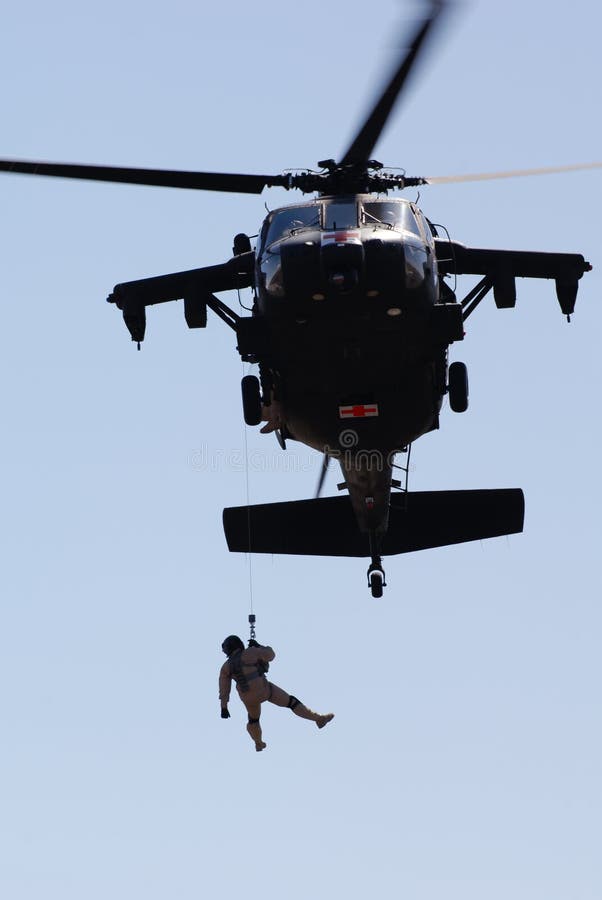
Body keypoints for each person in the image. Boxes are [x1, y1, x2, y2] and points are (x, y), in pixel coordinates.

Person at [219, 635, 334, 752]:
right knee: (291, 702)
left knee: (253, 720)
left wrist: (224, 707)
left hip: (248, 698)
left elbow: (224, 689)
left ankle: (258, 742)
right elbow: (271, 655)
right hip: (264, 690)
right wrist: (258, 646)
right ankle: (318, 719)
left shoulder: (226, 667)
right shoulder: (249, 653)